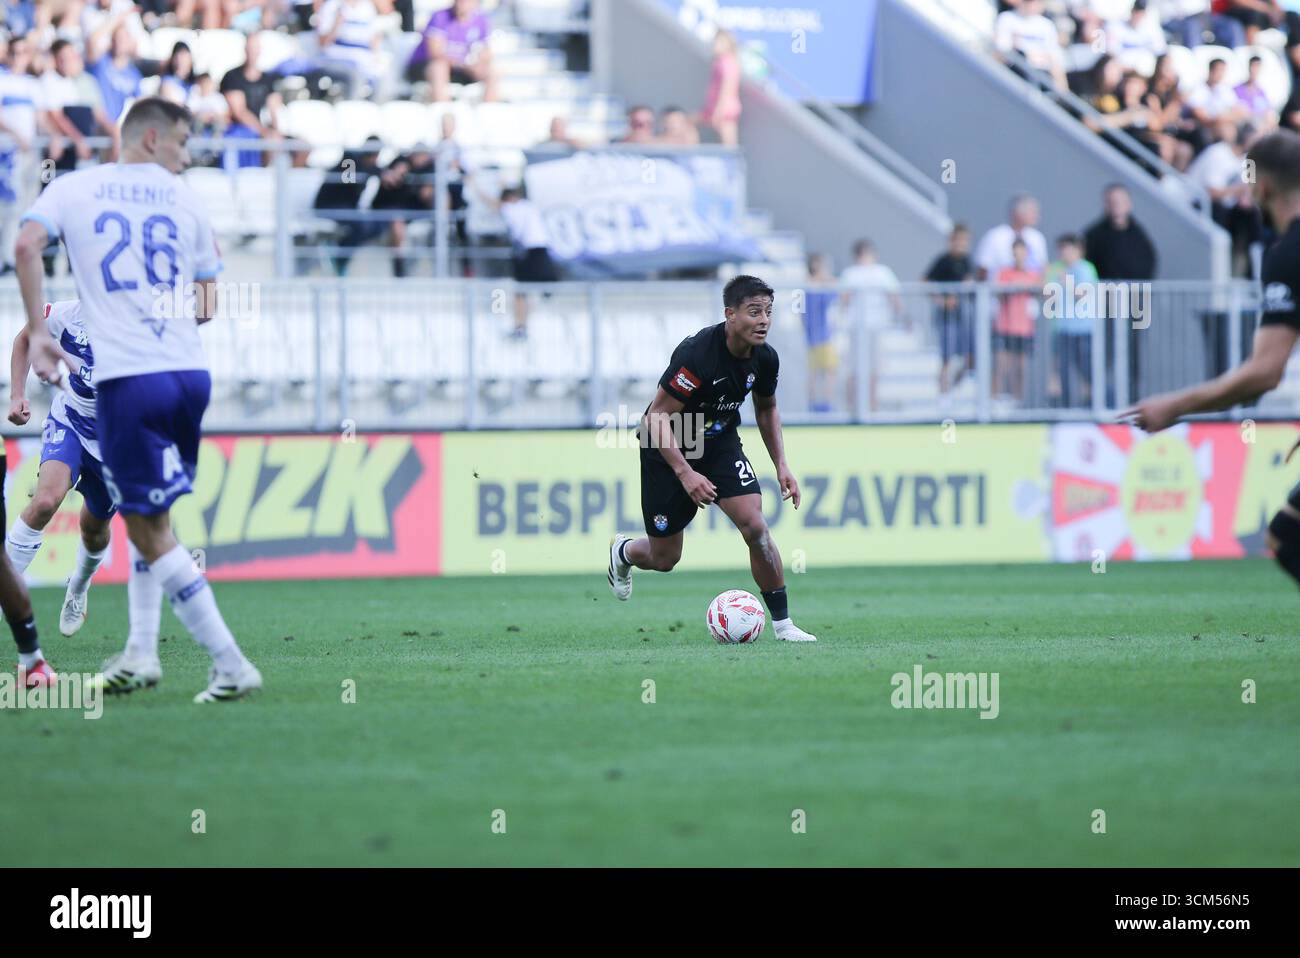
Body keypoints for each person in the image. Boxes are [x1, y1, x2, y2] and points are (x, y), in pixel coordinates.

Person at [14, 96, 263, 702]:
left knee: (151, 535)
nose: (185, 155)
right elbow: (206, 307)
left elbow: (24, 246)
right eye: (181, 142)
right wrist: (156, 313)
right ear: (151, 140)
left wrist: (43, 331)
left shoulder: (77, 187)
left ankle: (231, 664)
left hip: (130, 380)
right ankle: (141, 652)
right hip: (186, 377)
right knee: (150, 518)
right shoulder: (188, 201)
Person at [1124, 131, 1300, 587]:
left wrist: (1175, 406)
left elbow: (1263, 373)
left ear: (1261, 188)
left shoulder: (1288, 255)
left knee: (1291, 538)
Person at [607, 274, 817, 644]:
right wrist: (685, 473)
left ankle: (784, 625)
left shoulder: (765, 358)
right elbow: (655, 417)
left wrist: (782, 464)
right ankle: (623, 552)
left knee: (754, 525)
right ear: (730, 315)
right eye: (755, 311)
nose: (764, 320)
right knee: (665, 558)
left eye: (769, 311)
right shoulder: (697, 355)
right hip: (670, 441)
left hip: (719, 442)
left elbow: (767, 409)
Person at [6, 300, 113, 636]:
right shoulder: (66, 314)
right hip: (70, 421)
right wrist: (17, 394)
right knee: (45, 501)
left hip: (115, 440)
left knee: (94, 529)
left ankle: (79, 586)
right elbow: (25, 338)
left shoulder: (136, 321)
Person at [471, 181, 558, 338]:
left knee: (520, 292)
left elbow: (494, 204)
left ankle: (520, 326)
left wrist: (475, 187)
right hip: (541, 251)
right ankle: (522, 326)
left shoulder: (513, 208)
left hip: (529, 253)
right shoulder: (528, 206)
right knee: (526, 291)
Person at [840, 238, 902, 412]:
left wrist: (902, 316)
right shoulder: (851, 274)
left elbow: (894, 298)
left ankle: (872, 406)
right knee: (854, 369)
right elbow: (844, 300)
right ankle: (852, 406)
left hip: (876, 327)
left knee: (873, 368)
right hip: (856, 328)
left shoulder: (882, 272)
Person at [1044, 234, 1099, 407]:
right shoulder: (1055, 269)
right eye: (1062, 250)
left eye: (1068, 249)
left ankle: (1089, 403)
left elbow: (1083, 293)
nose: (1065, 254)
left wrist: (1066, 281)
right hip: (1061, 328)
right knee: (1061, 369)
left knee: (1085, 369)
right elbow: (1045, 291)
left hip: (1083, 328)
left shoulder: (1086, 269)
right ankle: (1064, 405)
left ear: (1078, 251)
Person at [406, 0, 497, 103]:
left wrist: (477, 64)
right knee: (439, 67)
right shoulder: (440, 16)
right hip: (425, 66)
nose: (462, 3)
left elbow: (486, 52)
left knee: (492, 71)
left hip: (461, 69)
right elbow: (435, 53)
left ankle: (488, 110)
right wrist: (462, 65)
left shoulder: (481, 21)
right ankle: (443, 110)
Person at [219, 32, 284, 169]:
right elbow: (239, 112)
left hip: (258, 129)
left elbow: (275, 108)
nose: (252, 52)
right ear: (245, 49)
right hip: (238, 129)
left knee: (298, 145)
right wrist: (264, 132)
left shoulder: (268, 79)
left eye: (255, 48)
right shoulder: (233, 77)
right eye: (250, 48)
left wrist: (276, 130)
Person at [925, 223, 975, 394]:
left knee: (970, 357)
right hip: (947, 316)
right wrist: (942, 300)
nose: (962, 244)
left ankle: (952, 386)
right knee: (946, 356)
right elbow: (925, 281)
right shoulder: (943, 261)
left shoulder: (968, 261)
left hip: (964, 315)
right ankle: (943, 392)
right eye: (958, 240)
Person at [993, 238, 1041, 402]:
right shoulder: (1004, 273)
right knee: (1001, 366)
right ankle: (994, 401)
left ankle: (1017, 401)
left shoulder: (1033, 274)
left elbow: (1042, 289)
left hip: (1024, 327)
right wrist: (1012, 286)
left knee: (1020, 367)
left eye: (1022, 251)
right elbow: (998, 293)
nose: (1019, 255)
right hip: (1004, 325)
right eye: (1016, 251)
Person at [1083, 183, 1158, 279]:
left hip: (1135, 291)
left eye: (1120, 201)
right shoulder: (1093, 236)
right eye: (1111, 202)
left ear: (1129, 204)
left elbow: (1149, 262)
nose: (1116, 205)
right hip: (1103, 291)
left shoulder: (1139, 236)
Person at [975, 194, 1049, 280]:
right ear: (1018, 213)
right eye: (1032, 211)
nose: (1037, 216)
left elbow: (1043, 268)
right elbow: (983, 268)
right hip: (999, 290)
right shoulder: (995, 236)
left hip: (1031, 291)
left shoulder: (1037, 237)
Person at [802, 253, 838, 412]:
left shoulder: (803, 288)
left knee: (820, 372)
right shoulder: (811, 288)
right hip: (820, 336)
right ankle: (821, 405)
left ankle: (819, 404)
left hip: (816, 335)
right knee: (823, 372)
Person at [699, 29, 741, 146]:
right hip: (716, 108)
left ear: (727, 44)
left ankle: (733, 163)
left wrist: (719, 111)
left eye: (718, 42)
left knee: (729, 145)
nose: (714, 45)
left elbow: (727, 88)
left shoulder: (727, 62)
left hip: (724, 109)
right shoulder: (721, 62)